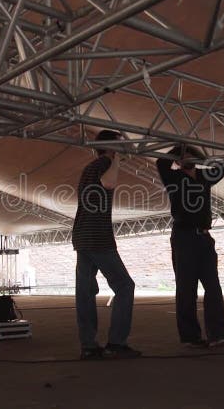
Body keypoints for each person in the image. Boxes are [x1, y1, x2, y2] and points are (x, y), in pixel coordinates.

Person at [72, 130, 141, 360]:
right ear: (111, 147)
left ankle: (89, 346)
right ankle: (116, 343)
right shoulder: (104, 163)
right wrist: (117, 157)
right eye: (120, 145)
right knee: (124, 286)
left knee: (86, 292)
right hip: (97, 236)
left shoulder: (92, 165)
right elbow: (109, 182)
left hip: (83, 236)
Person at [156, 145, 224, 348]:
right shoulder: (172, 177)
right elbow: (160, 162)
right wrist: (178, 146)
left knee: (213, 287)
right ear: (178, 159)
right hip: (183, 238)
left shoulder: (203, 177)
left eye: (189, 154)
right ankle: (190, 337)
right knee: (186, 288)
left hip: (204, 238)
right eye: (182, 156)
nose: (186, 158)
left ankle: (217, 334)